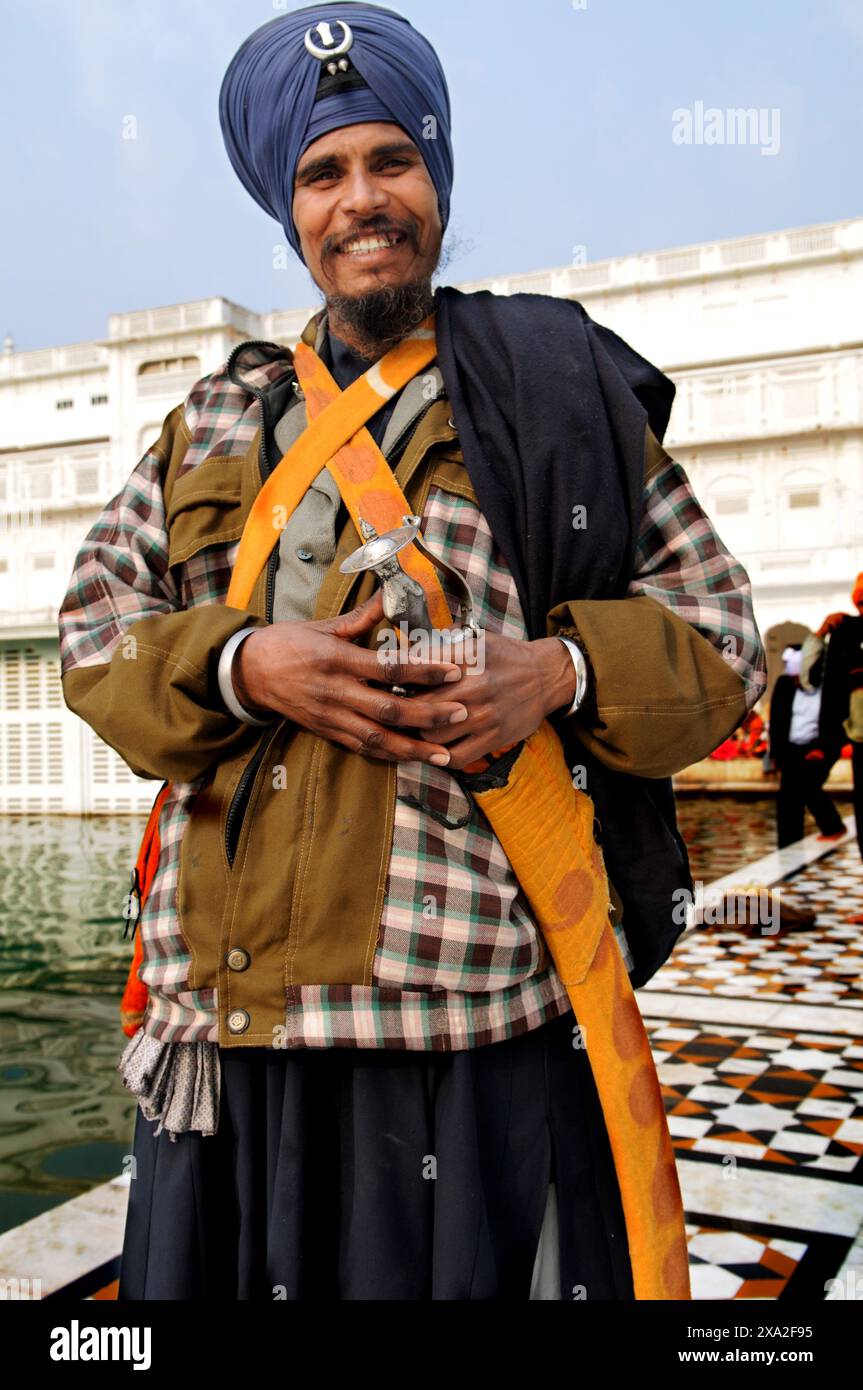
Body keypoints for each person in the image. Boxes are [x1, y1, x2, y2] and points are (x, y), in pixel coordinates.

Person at [57, 3, 767, 1301]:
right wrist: (236, 663)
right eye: (322, 173)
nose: (360, 199)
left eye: (391, 162)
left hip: (458, 1033)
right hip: (222, 1033)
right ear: (289, 210)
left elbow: (723, 635)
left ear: (435, 182)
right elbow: (96, 632)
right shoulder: (211, 417)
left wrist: (555, 671)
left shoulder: (553, 385)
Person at [769, 643, 845, 848]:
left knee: (809, 786)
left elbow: (836, 722)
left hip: (820, 747)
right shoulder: (785, 685)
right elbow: (777, 721)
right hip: (791, 748)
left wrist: (822, 747)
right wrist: (775, 754)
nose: (797, 682)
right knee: (787, 799)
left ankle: (833, 826)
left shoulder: (829, 687)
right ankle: (789, 845)